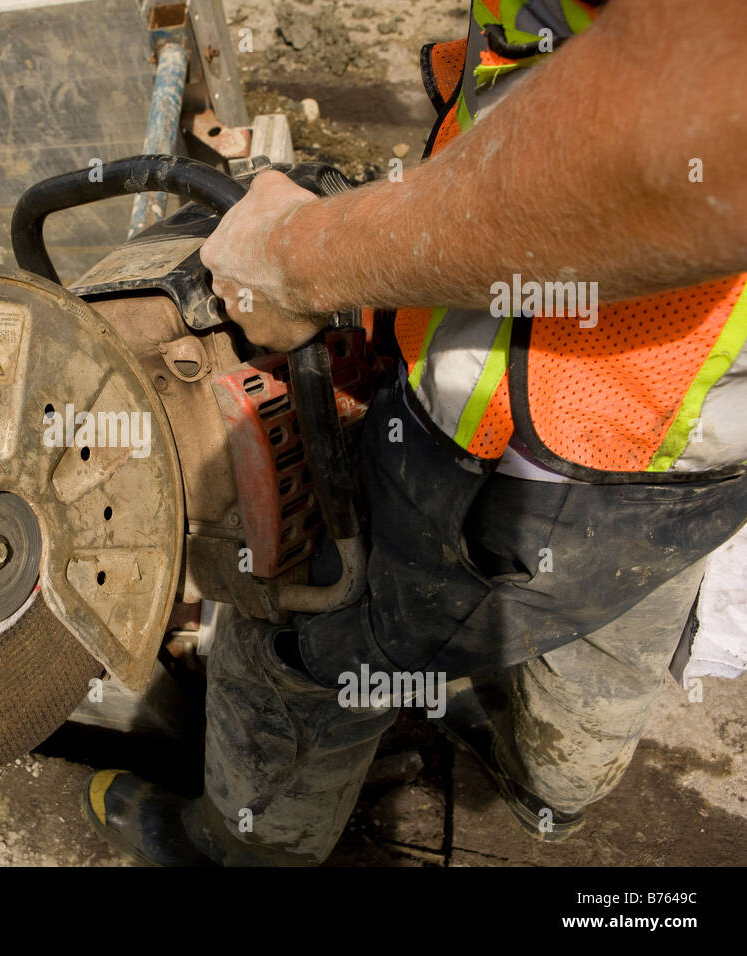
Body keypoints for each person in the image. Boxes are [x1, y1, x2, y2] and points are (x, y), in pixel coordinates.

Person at [83, 0, 747, 864]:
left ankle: (244, 848)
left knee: (294, 629)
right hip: (708, 434)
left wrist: (297, 256)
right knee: (616, 620)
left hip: (529, 440)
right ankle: (553, 788)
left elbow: (685, 141)